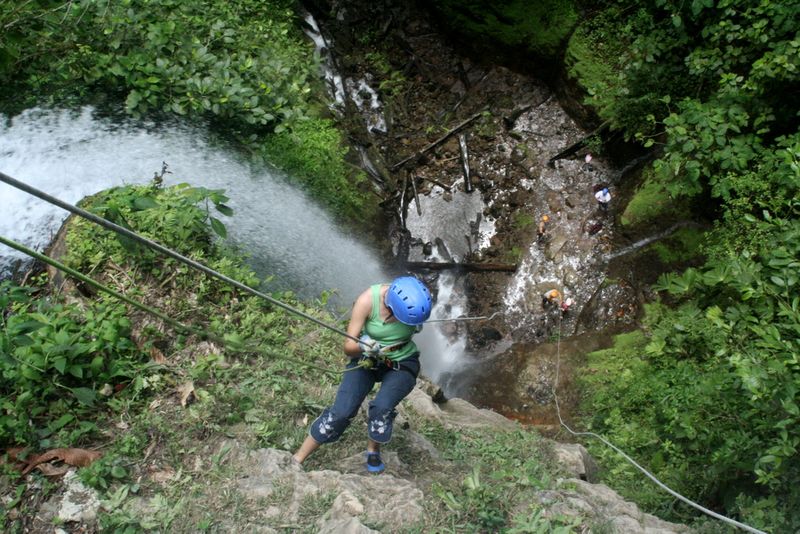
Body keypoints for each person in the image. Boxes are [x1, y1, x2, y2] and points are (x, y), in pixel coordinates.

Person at [292, 276, 432, 474]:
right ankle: (298, 457)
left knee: (381, 409)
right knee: (340, 413)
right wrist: (364, 346)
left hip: (402, 360)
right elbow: (348, 348)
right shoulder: (367, 301)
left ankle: (373, 450)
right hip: (367, 356)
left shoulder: (416, 305)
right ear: (391, 307)